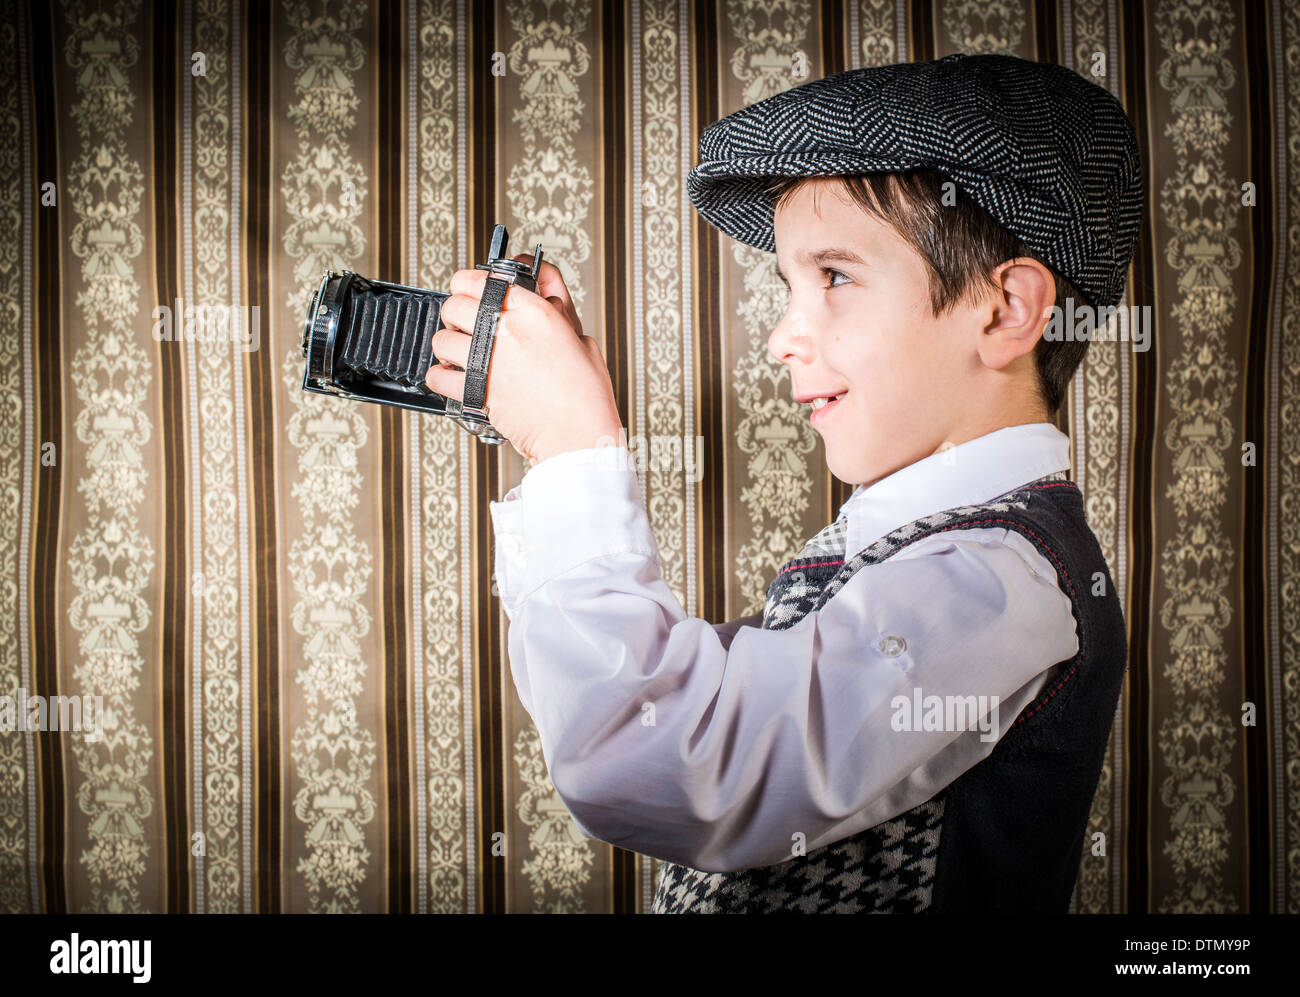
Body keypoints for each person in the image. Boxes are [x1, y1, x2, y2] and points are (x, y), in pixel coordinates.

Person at [423, 52, 1142, 913]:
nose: (781, 338)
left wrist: (575, 448)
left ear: (1005, 311)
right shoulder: (898, 547)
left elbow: (685, 760)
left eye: (834, 277)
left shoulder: (1002, 581)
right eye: (789, 285)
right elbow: (693, 694)